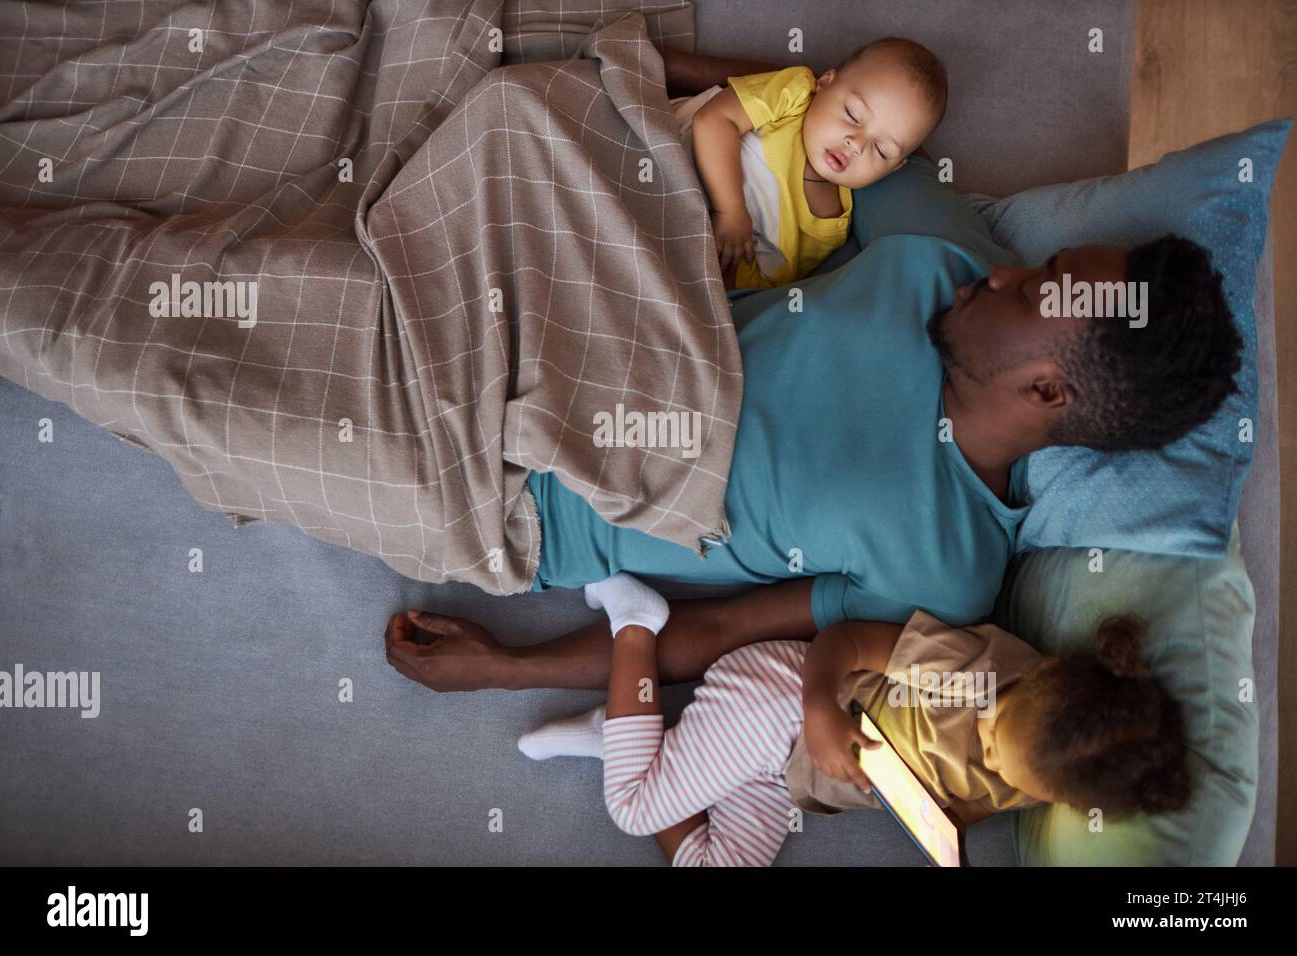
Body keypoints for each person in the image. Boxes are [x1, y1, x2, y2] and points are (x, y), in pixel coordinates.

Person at [380, 47, 1242, 698]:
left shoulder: (948, 569)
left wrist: (506, 667)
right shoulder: (946, 258)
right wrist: (672, 72)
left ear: (1049, 393)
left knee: (253, 408)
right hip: (558, 325)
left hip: (515, 506)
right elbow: (837, 130)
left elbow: (714, 630)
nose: (1007, 271)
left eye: (1039, 291)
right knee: (510, 116)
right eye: (1043, 262)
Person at [513, 573, 1188, 866]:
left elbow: (969, 804)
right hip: (786, 703)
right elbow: (847, 641)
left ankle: (628, 736)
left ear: (1049, 796)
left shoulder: (1040, 771)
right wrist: (822, 714)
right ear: (1037, 676)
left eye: (998, 762)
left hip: (790, 777)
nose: (984, 740)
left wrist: (944, 845)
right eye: (994, 724)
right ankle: (636, 623)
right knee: (633, 810)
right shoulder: (974, 669)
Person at [672, 37, 946, 289]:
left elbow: (754, 282)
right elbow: (714, 120)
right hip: (666, 150)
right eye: (852, 114)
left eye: (882, 150)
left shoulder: (829, 226)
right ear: (825, 82)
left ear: (894, 168)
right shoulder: (795, 94)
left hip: (678, 234)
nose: (856, 144)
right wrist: (730, 211)